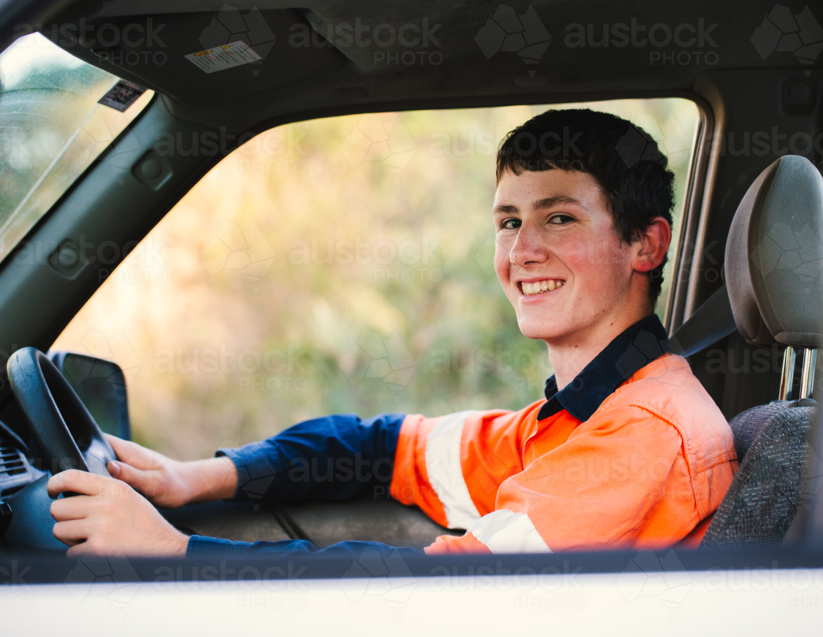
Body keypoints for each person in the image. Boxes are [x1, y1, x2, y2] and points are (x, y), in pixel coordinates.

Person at [46, 108, 737, 557]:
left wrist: (174, 551)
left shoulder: (646, 431)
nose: (521, 249)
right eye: (507, 221)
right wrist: (197, 476)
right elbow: (384, 447)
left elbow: (429, 599)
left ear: (645, 244)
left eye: (558, 217)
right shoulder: (568, 420)